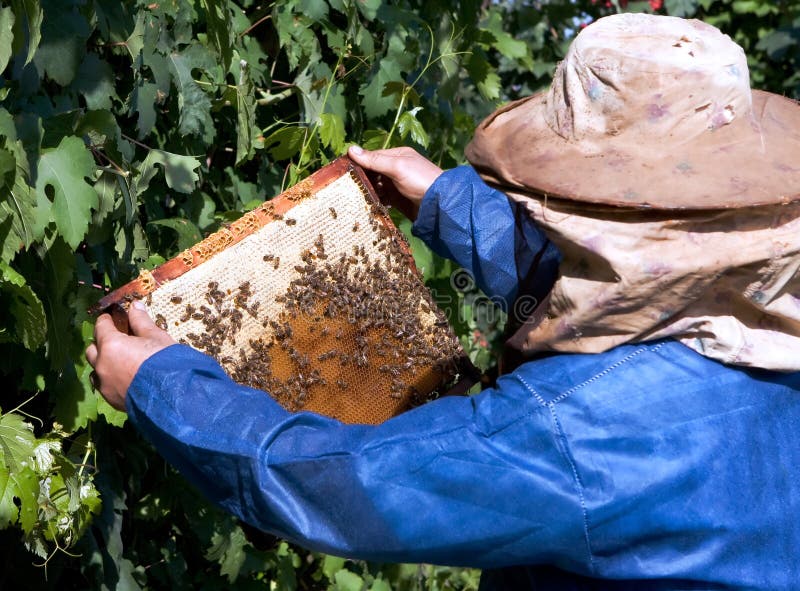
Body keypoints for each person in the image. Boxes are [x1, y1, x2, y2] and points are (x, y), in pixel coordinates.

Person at [86, 13, 800, 590]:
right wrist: (446, 199)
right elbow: (613, 285)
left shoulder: (573, 432)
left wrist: (163, 384)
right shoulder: (764, 302)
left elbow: (341, 484)